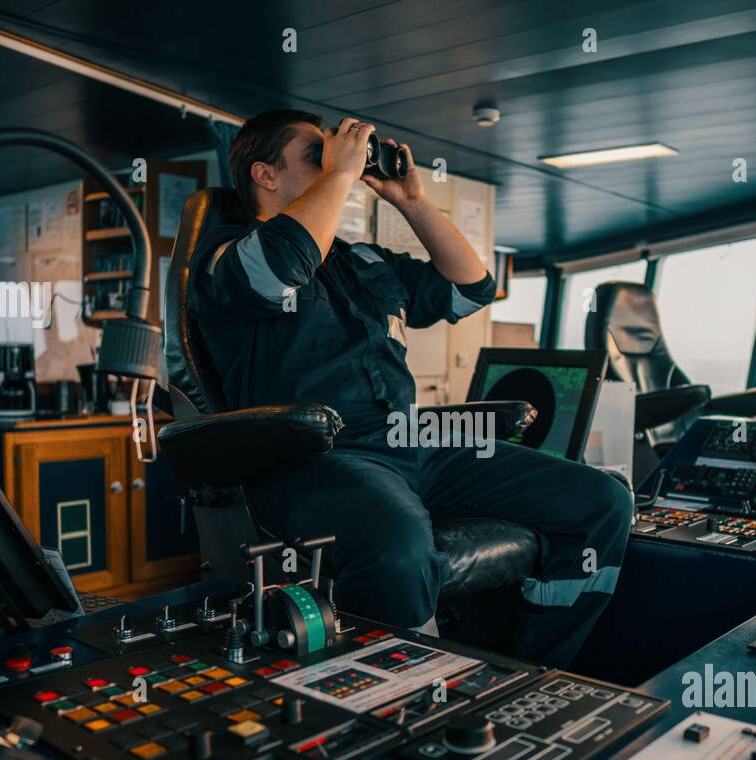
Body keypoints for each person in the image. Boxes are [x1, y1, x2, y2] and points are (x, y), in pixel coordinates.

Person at [187, 109, 632, 666]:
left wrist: (413, 201)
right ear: (265, 175)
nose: (333, 162)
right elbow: (282, 266)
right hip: (316, 457)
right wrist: (341, 175)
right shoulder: (228, 257)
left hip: (410, 442)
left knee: (601, 500)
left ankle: (536, 666)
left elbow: (473, 287)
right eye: (314, 155)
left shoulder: (364, 261)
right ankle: (419, 690)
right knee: (399, 546)